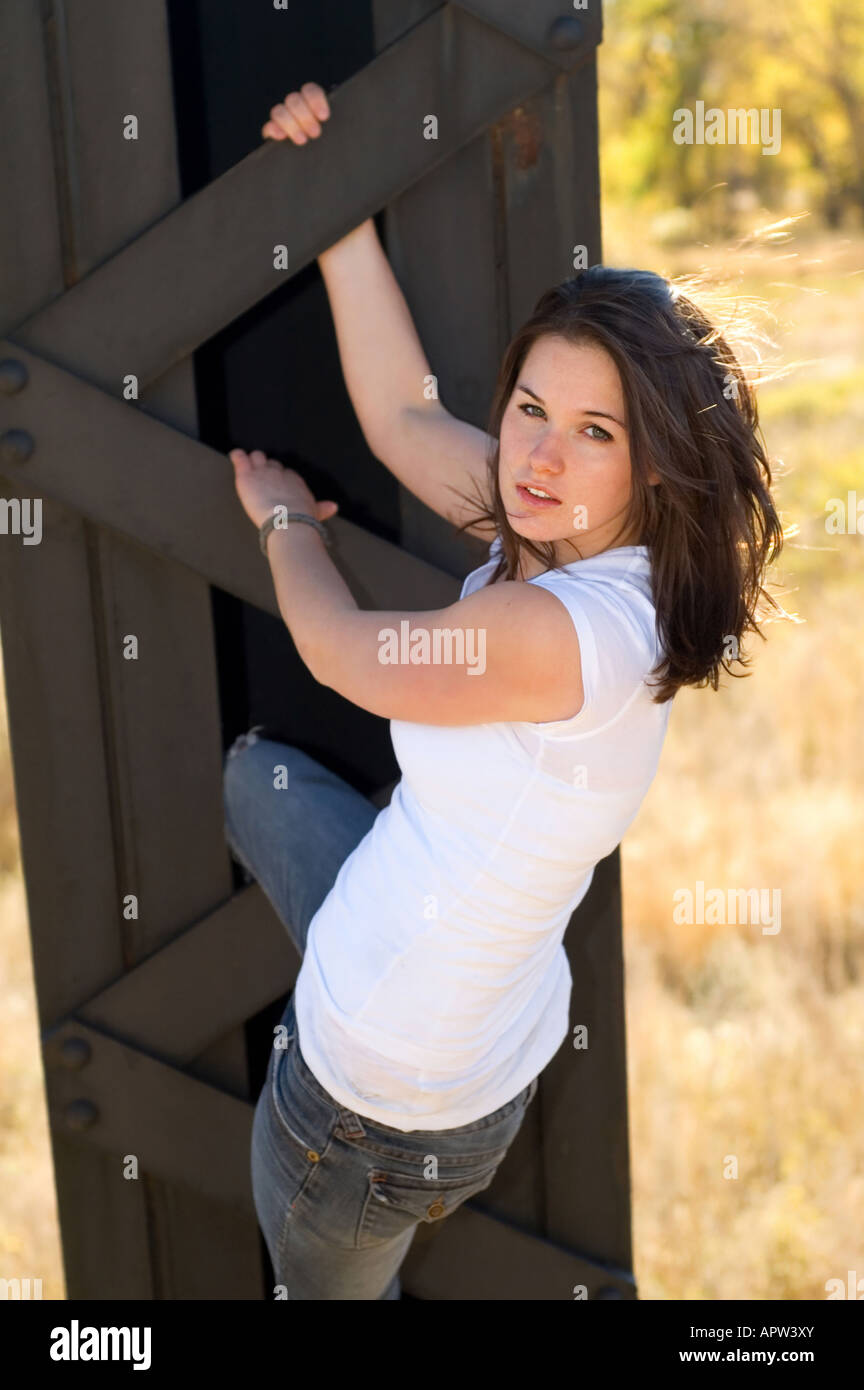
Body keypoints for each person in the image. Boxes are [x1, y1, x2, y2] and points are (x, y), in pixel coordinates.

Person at [221, 82, 785, 1300]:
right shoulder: (585, 537)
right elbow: (402, 415)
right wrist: (333, 213)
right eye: (532, 406)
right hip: (476, 1032)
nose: (537, 455)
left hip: (366, 1114)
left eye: (594, 431)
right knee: (253, 785)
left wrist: (281, 524)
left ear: (657, 461)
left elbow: (343, 652)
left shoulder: (552, 628)